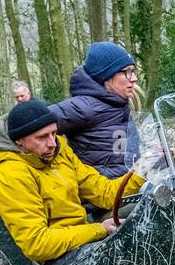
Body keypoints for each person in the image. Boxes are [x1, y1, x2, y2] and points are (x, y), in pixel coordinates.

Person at [0, 99, 143, 264]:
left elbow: (105, 193)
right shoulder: (9, 174)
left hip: (81, 234)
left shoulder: (59, 151)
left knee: (145, 211)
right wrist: (99, 230)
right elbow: (38, 244)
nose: (52, 143)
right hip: (55, 257)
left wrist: (144, 170)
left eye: (54, 133)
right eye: (41, 137)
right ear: (19, 141)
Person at [48, 42, 142, 179]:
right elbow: (24, 123)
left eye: (133, 71)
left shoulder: (121, 105)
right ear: (106, 76)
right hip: (98, 195)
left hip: (129, 190)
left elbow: (126, 155)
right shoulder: (84, 107)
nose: (134, 78)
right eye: (126, 72)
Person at [0, 81, 33, 158]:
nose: (20, 99)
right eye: (17, 97)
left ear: (28, 93)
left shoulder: (40, 106)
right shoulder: (14, 111)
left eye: (22, 96)